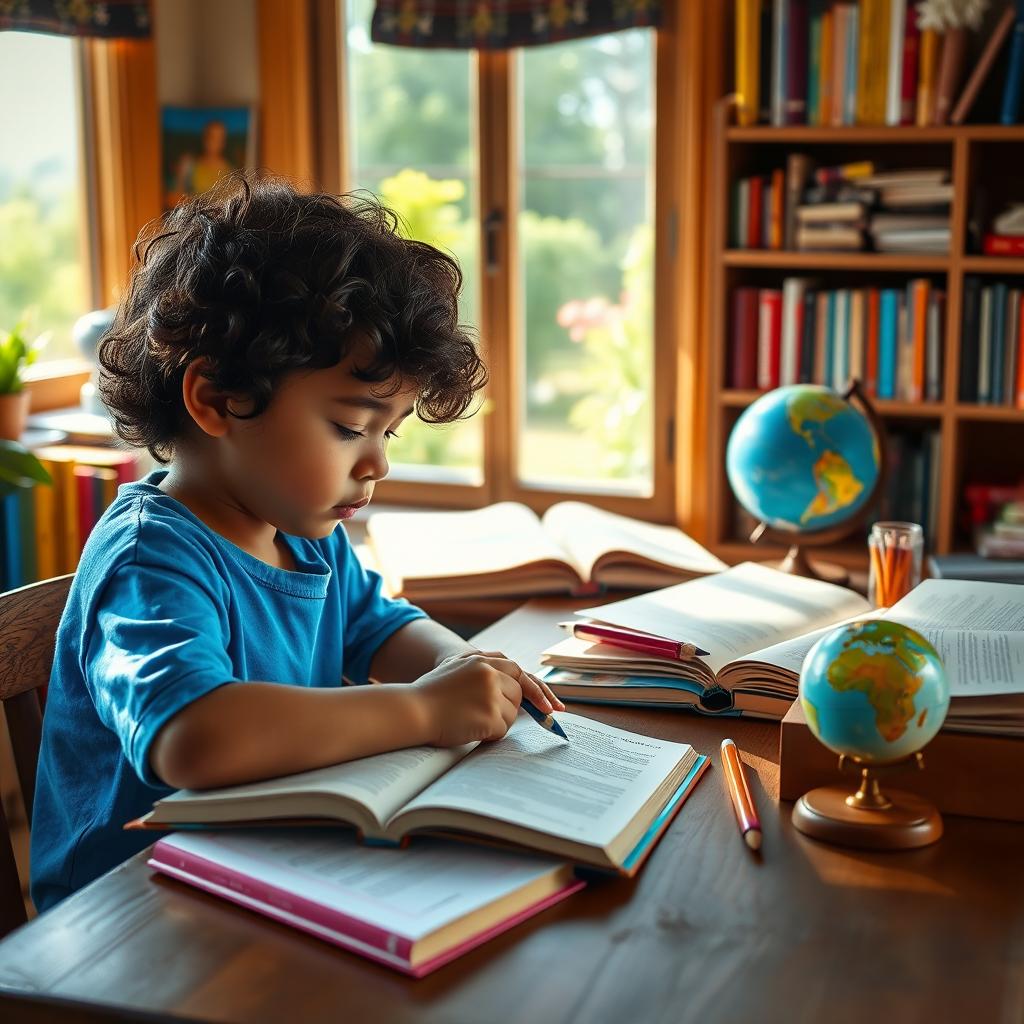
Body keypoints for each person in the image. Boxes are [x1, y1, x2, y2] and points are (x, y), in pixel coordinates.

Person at [30, 173, 564, 912]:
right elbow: (194, 737)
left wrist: (461, 666)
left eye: (388, 433)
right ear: (217, 398)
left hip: (268, 865)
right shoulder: (150, 557)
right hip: (131, 913)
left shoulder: (305, 534)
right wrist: (423, 710)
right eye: (349, 427)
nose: (377, 463)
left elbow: (379, 626)